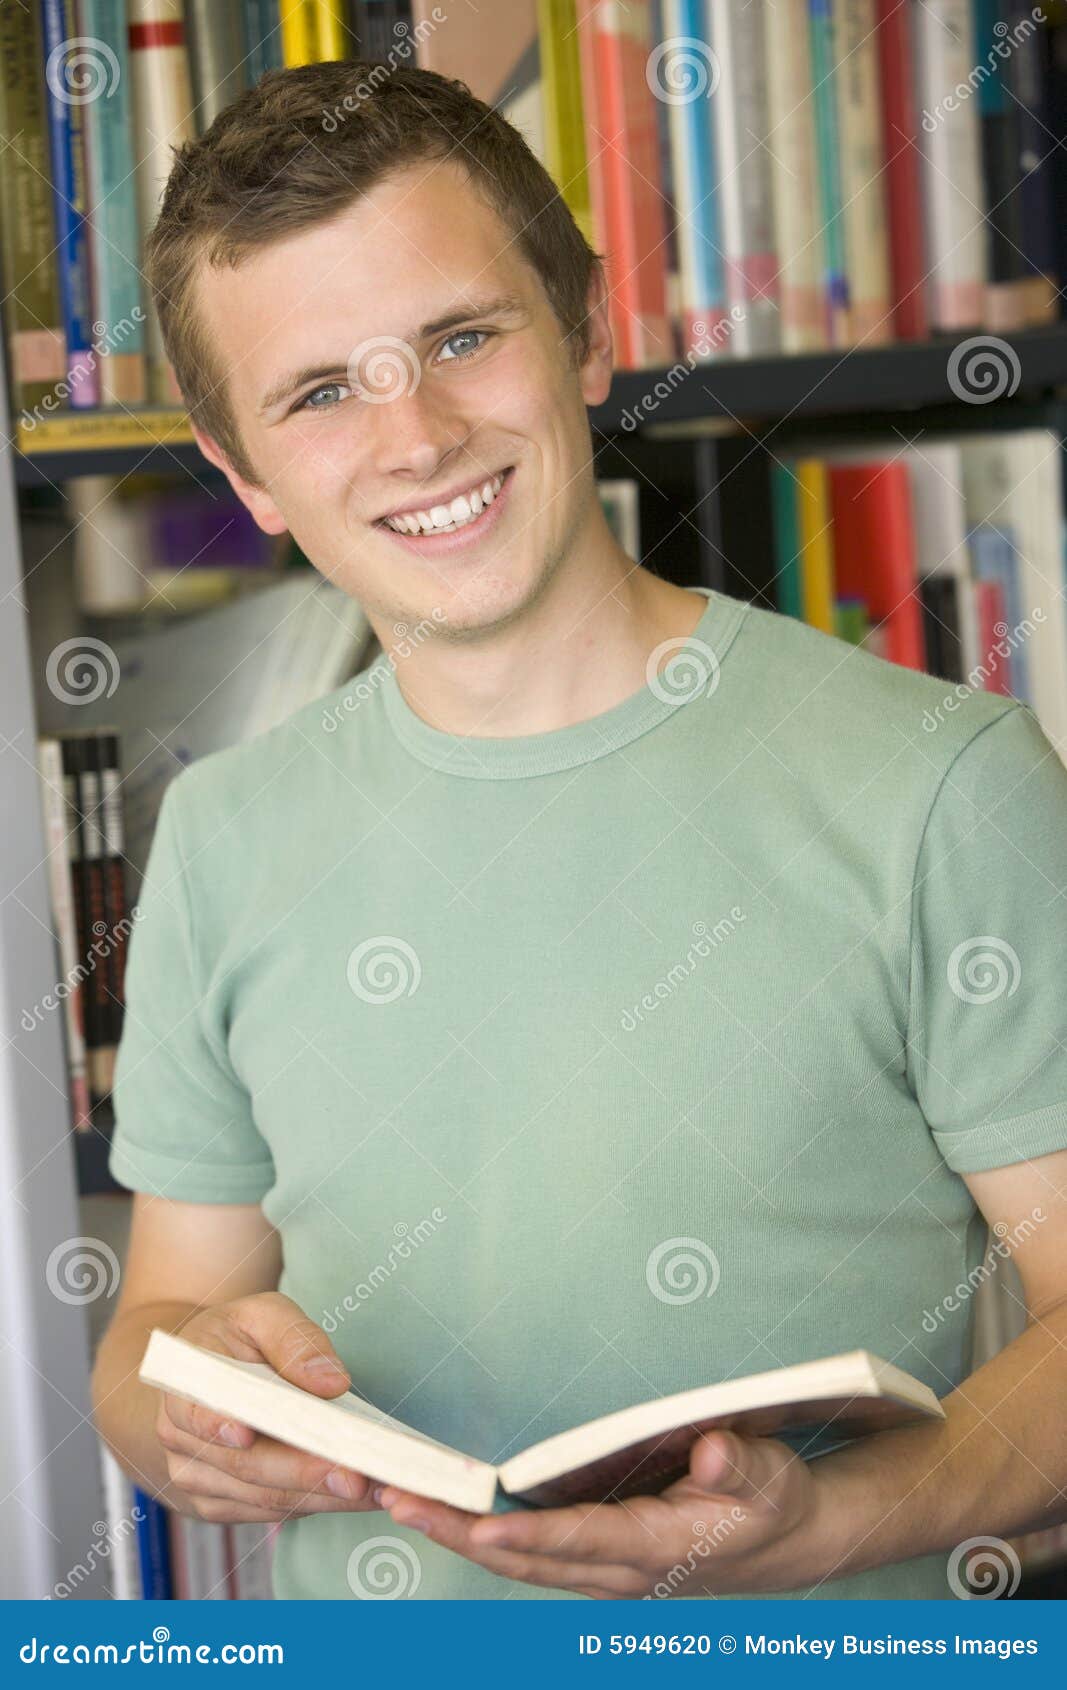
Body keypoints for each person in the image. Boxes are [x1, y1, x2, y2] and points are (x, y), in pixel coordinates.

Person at [92, 60, 1067, 1602]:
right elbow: (156, 1331)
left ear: (592, 331)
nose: (414, 436)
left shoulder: (952, 782)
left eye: (462, 337)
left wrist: (844, 1515)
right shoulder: (219, 833)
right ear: (241, 475)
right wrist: (184, 1412)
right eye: (320, 390)